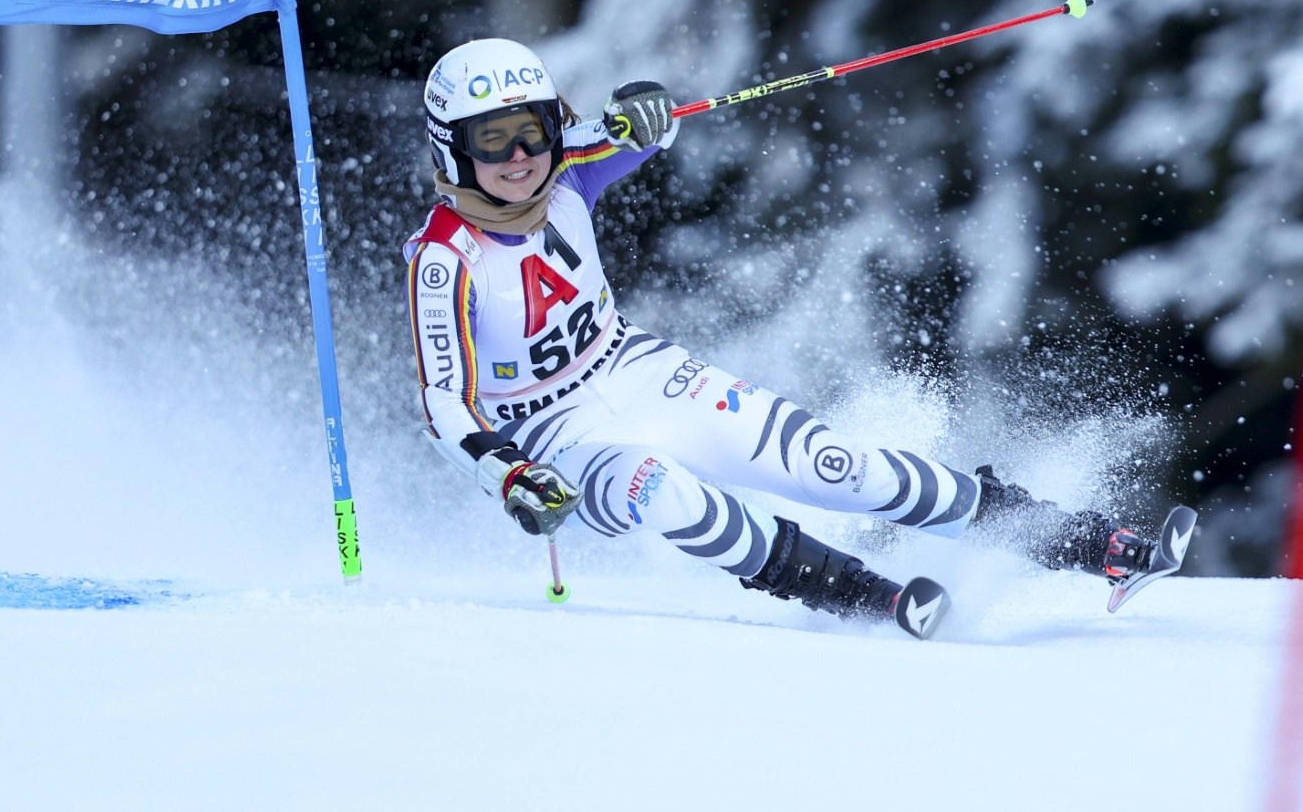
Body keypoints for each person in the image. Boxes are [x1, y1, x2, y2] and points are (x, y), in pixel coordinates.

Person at [403, 38, 1194, 639]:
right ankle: (867, 598)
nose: (519, 159)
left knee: (831, 464)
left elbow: (638, 132)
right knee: (666, 493)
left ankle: (1097, 546)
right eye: (491, 140)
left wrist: (645, 109)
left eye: (534, 132)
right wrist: (510, 475)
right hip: (557, 436)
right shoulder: (446, 262)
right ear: (452, 149)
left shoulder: (565, 170)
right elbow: (445, 404)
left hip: (634, 369)